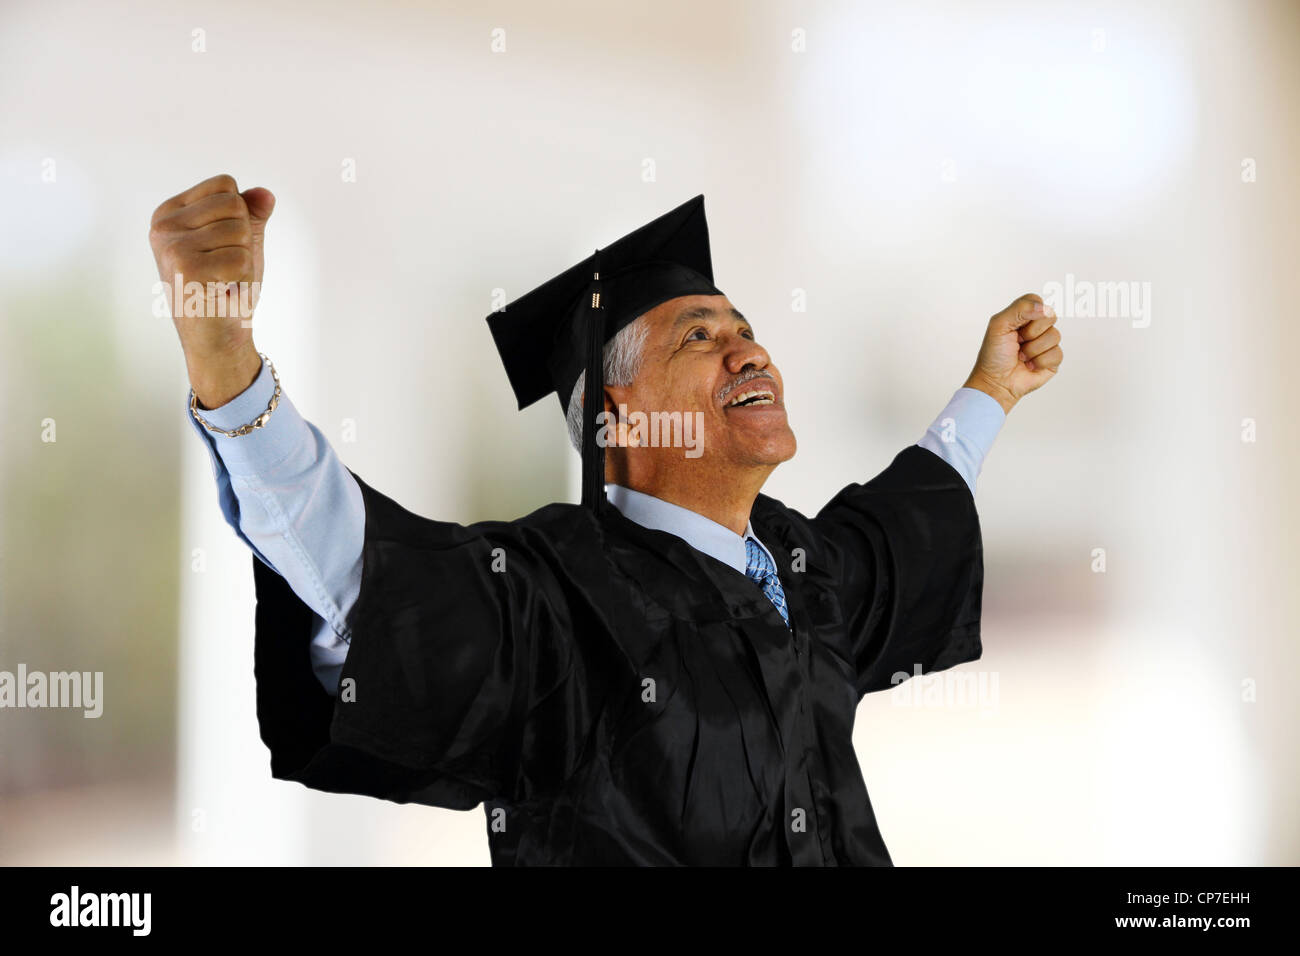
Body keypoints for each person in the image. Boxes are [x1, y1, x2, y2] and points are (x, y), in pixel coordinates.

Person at [149, 174, 1063, 865]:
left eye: (743, 326)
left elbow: (903, 523)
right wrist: (229, 369)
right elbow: (366, 574)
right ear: (615, 416)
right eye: (699, 336)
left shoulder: (795, 565)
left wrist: (991, 390)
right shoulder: (554, 599)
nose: (748, 348)